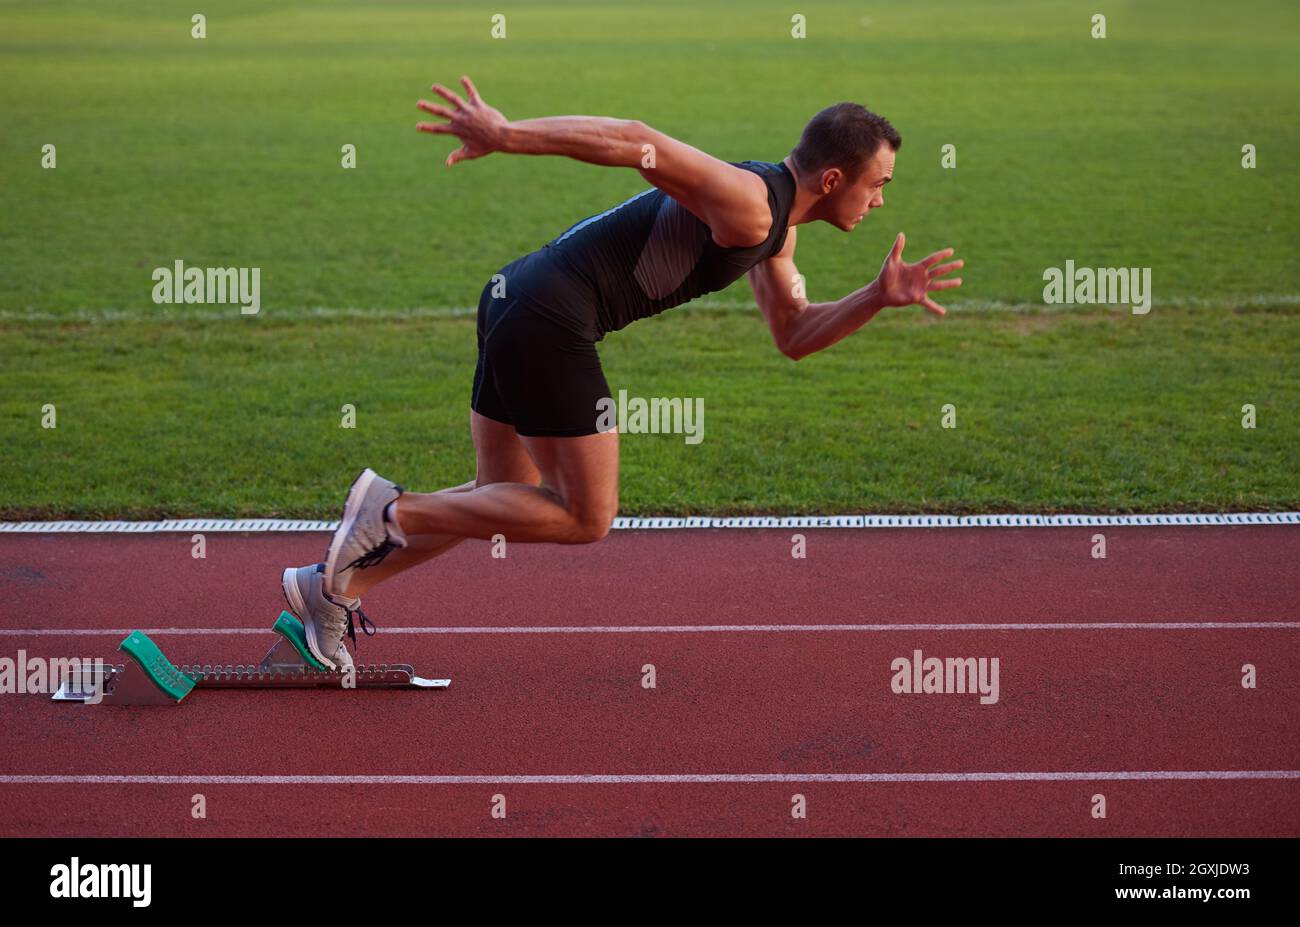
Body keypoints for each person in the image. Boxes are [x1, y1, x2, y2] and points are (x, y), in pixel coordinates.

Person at [281, 76, 963, 669]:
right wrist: (508, 134)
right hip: (552, 316)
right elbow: (641, 141)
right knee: (585, 514)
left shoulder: (774, 226)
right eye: (879, 185)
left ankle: (332, 588)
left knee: (502, 497)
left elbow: (795, 334)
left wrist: (875, 296)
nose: (881, 202)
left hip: (514, 297)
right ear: (835, 179)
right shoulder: (751, 200)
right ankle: (388, 510)